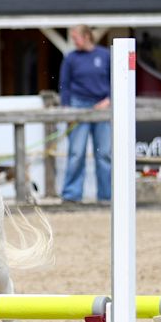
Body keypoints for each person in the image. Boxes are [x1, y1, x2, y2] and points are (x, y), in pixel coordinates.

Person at [59, 25, 112, 202]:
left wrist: (109, 100)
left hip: (102, 107)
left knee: (104, 153)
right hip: (78, 105)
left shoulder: (104, 55)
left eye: (76, 37)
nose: (74, 41)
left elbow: (114, 79)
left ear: (87, 36)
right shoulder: (71, 58)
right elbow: (64, 85)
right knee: (76, 153)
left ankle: (107, 195)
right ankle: (71, 195)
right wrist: (67, 108)